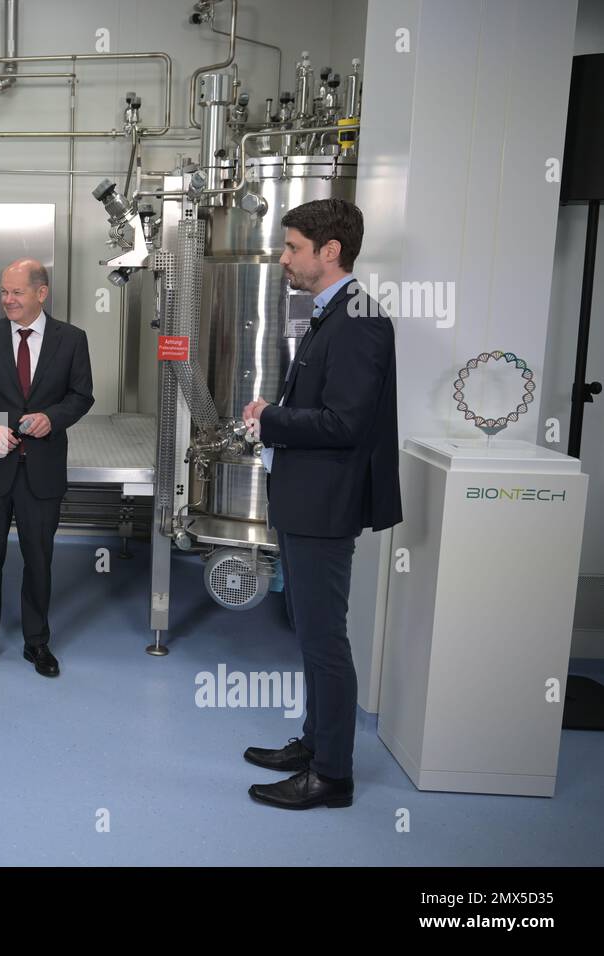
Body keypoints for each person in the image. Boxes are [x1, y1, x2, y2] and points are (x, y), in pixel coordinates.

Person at [242, 198, 402, 810]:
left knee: (324, 641)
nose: (284, 258)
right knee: (311, 635)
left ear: (328, 251)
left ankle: (332, 775)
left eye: (292, 248)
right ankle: (314, 743)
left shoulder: (359, 318)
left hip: (324, 505)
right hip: (307, 499)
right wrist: (274, 415)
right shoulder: (332, 312)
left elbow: (344, 422)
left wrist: (272, 419)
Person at [0, 258, 94, 678]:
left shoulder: (71, 340)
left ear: (41, 293)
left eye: (16, 292)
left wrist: (53, 418)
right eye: (3, 291)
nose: (7, 300)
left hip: (42, 470)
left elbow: (81, 395)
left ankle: (37, 643)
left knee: (39, 559)